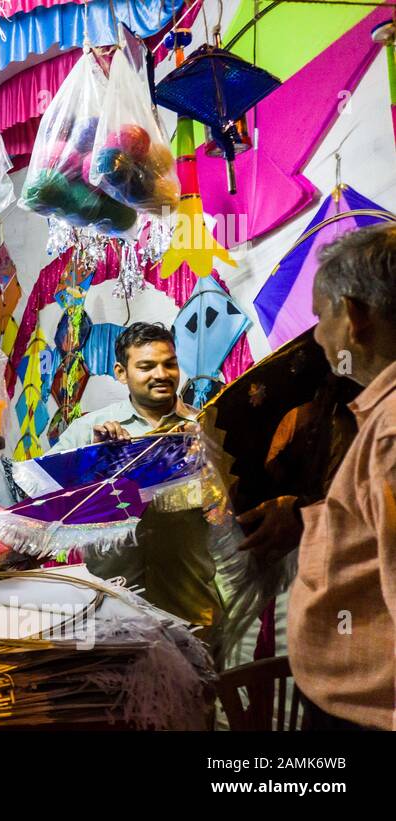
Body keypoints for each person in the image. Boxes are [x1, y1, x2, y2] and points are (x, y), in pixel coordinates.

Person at [240, 224, 396, 731]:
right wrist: (307, 521)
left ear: (352, 318)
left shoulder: (392, 431)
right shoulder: (379, 415)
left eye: (318, 317)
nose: (317, 337)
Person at [47, 322, 196, 453]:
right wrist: (91, 458)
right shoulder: (87, 429)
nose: (162, 375)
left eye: (170, 365)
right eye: (146, 367)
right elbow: (38, 482)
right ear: (121, 373)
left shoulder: (203, 425)